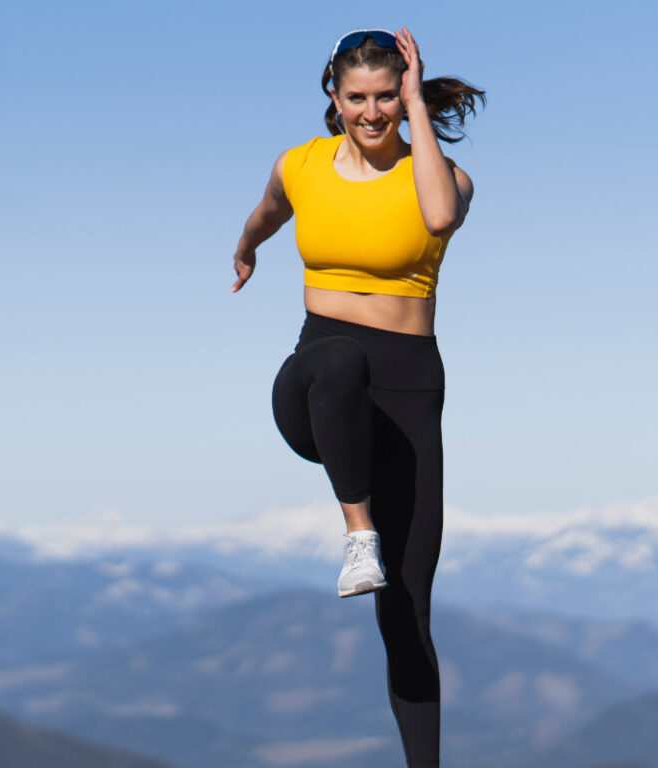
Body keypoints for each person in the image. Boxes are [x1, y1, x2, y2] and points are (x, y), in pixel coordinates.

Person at [228, 25, 484, 768]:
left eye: (385, 98)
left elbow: (440, 217)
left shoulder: (440, 175)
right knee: (339, 356)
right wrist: (247, 246)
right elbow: (269, 210)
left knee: (406, 609)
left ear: (403, 97)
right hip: (319, 387)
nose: (370, 113)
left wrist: (419, 112)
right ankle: (356, 530)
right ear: (332, 97)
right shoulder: (301, 164)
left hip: (406, 397)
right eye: (356, 98)